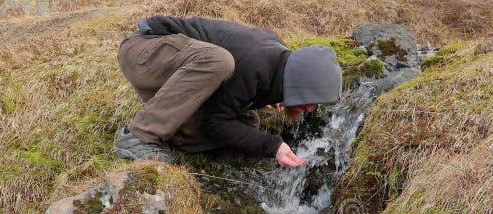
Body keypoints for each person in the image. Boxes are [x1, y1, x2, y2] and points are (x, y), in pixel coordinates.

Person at [113, 16, 342, 168]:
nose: (311, 108)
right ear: (299, 82)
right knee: (219, 61)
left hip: (173, 65)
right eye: (311, 99)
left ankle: (176, 135)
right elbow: (216, 121)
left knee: (247, 123)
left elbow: (227, 108)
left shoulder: (278, 62)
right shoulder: (256, 62)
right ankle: (137, 136)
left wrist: (282, 96)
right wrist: (273, 145)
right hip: (146, 51)